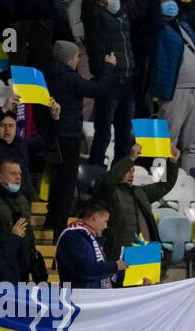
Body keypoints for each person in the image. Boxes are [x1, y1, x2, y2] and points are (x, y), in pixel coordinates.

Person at [45, 43, 119, 235]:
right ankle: (59, 229)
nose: (78, 59)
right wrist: (109, 67)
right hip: (68, 136)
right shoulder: (69, 77)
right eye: (77, 56)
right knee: (67, 185)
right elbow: (97, 89)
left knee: (57, 181)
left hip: (53, 134)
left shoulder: (50, 74)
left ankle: (50, 220)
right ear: (69, 58)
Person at [149, 0, 195, 171]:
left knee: (191, 145)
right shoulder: (155, 28)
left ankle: (188, 185)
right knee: (165, 143)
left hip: (194, 91)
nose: (170, 3)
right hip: (173, 92)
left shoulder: (184, 26)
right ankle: (158, 184)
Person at [95, 142, 180, 259]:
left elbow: (165, 185)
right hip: (120, 254)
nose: (132, 175)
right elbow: (109, 180)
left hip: (145, 250)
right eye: (128, 170)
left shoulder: (140, 192)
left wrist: (172, 162)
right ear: (118, 170)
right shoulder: (108, 192)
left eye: (133, 171)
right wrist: (131, 158)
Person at [83, 0, 138, 166]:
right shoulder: (93, 13)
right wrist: (104, 69)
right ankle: (95, 176)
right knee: (104, 133)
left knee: (124, 134)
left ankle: (119, 177)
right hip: (109, 80)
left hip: (128, 79)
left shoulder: (122, 11)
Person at [0, 160, 38, 282]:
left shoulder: (22, 198)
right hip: (3, 264)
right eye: (13, 174)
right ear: (0, 177)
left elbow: (27, 229)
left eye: (19, 174)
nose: (18, 177)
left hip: (22, 264)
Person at [56, 199, 127, 289]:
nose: (106, 226)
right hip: (79, 298)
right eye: (105, 221)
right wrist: (114, 266)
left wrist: (119, 271)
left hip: (90, 297)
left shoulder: (89, 236)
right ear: (96, 217)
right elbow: (83, 270)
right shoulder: (72, 236)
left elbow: (99, 272)